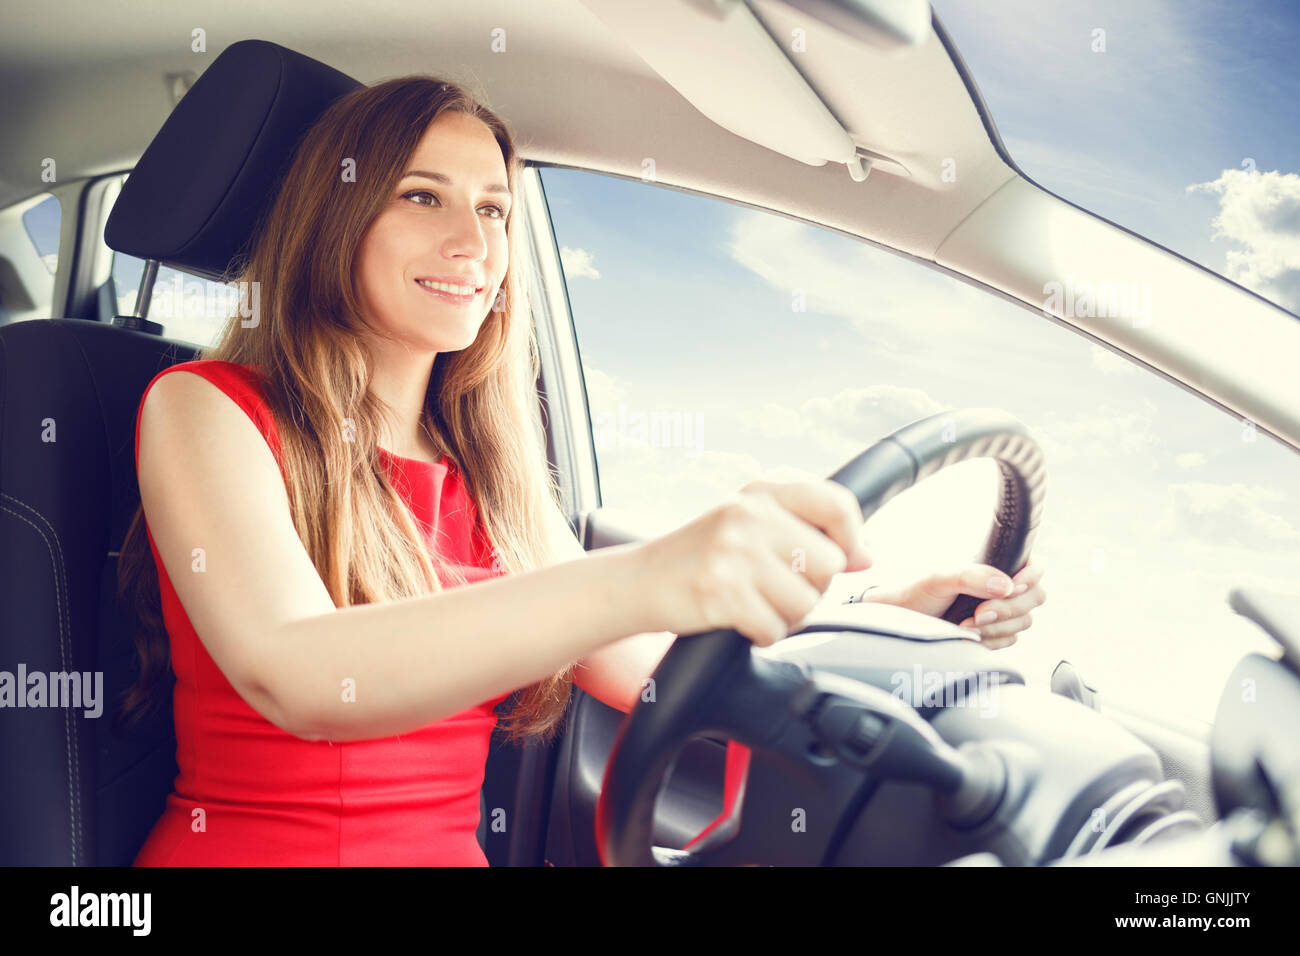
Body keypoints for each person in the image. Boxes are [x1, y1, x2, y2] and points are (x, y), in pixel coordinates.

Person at [117, 75, 1046, 867]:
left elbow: (665, 677)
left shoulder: (486, 478)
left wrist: (889, 623)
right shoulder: (206, 408)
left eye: (493, 210)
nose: (473, 246)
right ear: (336, 215)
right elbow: (300, 675)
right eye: (422, 196)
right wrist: (644, 577)